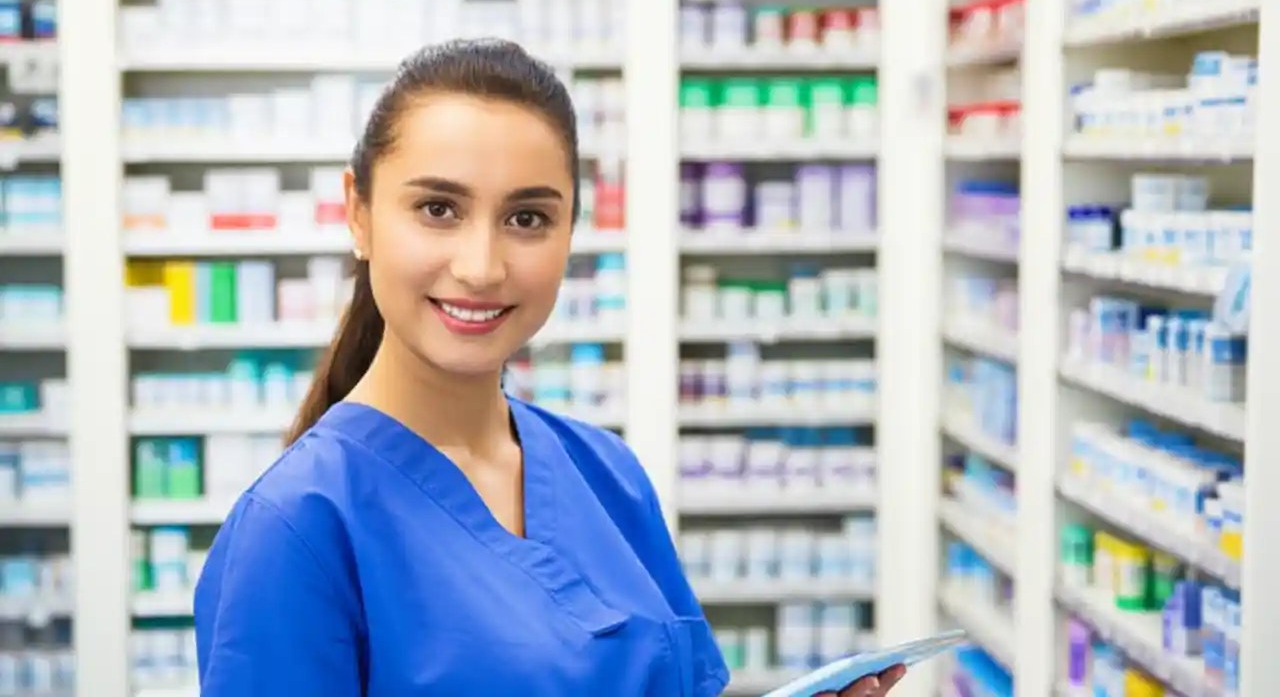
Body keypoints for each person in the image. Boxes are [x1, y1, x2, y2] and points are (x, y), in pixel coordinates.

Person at [192, 38, 906, 697]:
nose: (481, 266)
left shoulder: (606, 473)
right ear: (358, 214)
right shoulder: (296, 528)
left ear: (570, 231)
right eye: (438, 208)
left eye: (527, 218)